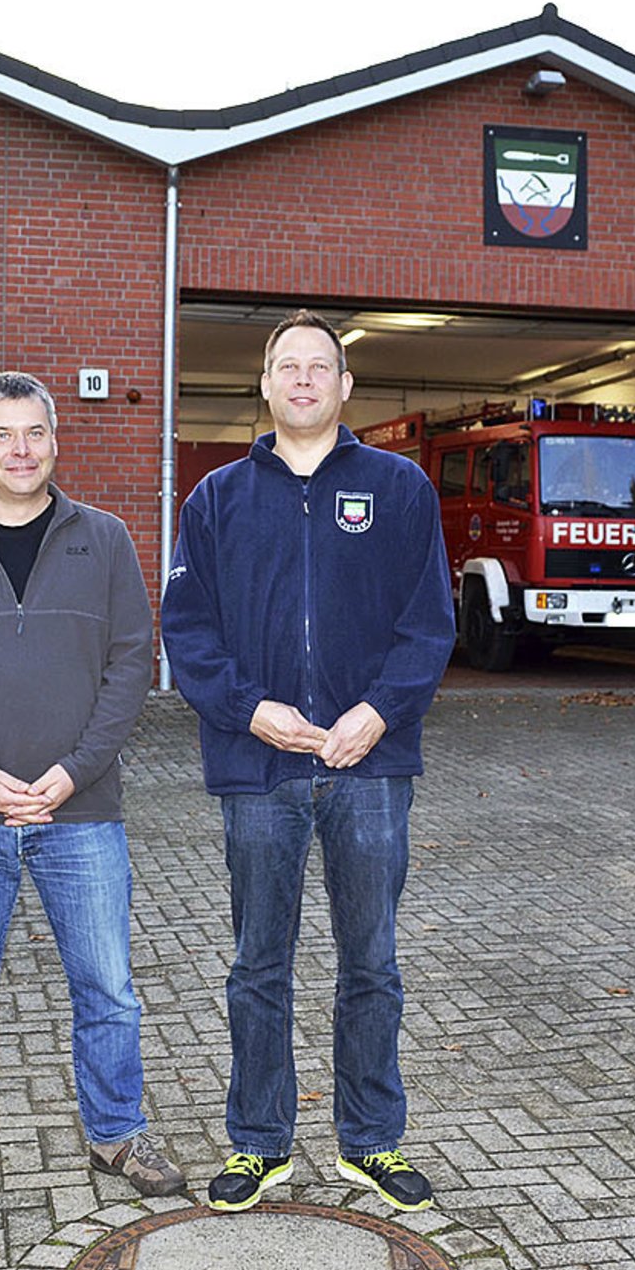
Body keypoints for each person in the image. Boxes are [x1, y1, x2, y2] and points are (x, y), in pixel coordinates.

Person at [161, 310, 455, 1214]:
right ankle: (260, 1145)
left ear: (344, 386)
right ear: (264, 384)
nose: (301, 380)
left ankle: (371, 1142)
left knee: (372, 962)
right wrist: (253, 713)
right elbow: (187, 631)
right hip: (261, 769)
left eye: (318, 367)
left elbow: (430, 621)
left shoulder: (401, 489)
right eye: (285, 366)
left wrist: (377, 711)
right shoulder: (213, 500)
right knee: (259, 963)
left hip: (370, 765)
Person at [0, 371, 185, 1220]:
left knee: (108, 990)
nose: (21, 450)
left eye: (35, 434)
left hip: (80, 812)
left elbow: (132, 663)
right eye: (3, 435)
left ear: (56, 442)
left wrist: (73, 771)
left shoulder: (107, 539)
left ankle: (118, 1132)